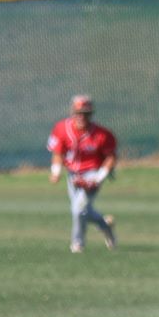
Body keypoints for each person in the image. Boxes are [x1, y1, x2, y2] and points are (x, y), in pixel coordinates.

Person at [47, 95, 118, 253]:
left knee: (78, 210)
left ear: (91, 114)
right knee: (81, 210)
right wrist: (56, 172)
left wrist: (98, 178)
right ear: (72, 113)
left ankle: (77, 243)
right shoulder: (61, 128)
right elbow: (58, 152)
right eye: (78, 113)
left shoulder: (102, 134)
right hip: (72, 174)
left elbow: (111, 158)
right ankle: (105, 225)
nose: (81, 117)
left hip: (92, 174)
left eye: (85, 113)